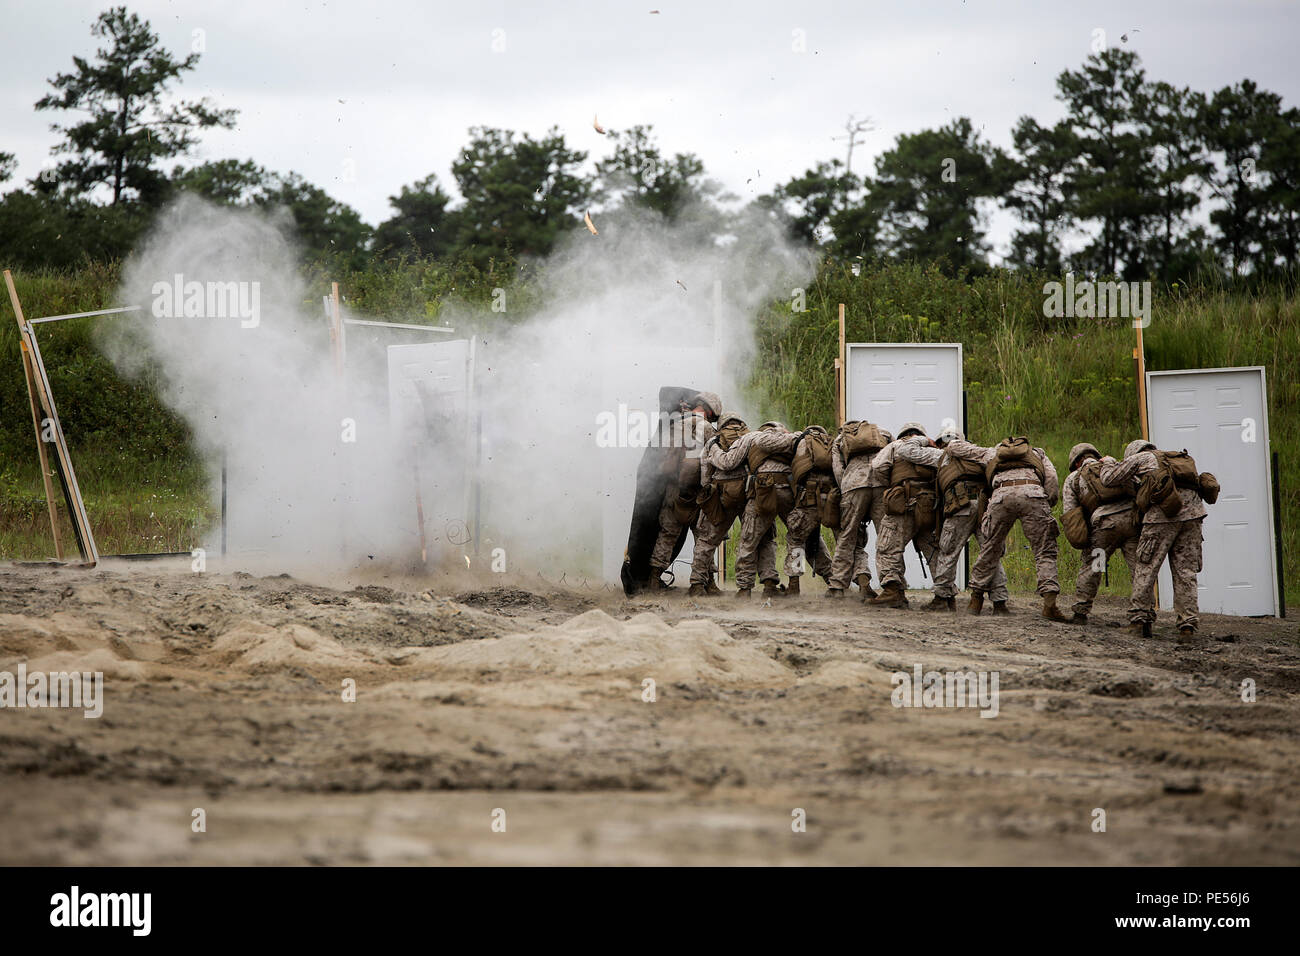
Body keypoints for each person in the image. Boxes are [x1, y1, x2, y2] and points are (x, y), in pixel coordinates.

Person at [943, 434, 1066, 620]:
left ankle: (975, 601)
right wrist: (1047, 502)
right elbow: (1052, 481)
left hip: (1001, 496)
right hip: (1033, 494)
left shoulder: (992, 453)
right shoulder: (1038, 454)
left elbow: (955, 448)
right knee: (1044, 551)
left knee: (990, 548)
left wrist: (949, 443)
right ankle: (1049, 605)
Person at [1100, 440, 1210, 640]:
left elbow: (1109, 479)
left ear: (1133, 453)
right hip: (1194, 516)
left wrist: (1108, 462)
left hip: (1161, 518)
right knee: (1186, 572)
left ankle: (1139, 621)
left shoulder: (1140, 458)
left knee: (1146, 567)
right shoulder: (1175, 457)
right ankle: (1187, 627)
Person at [704, 420, 796, 598]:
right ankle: (787, 584)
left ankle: (744, 589)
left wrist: (713, 446)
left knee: (749, 540)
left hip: (763, 491)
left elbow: (728, 462)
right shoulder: (792, 438)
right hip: (787, 491)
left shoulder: (753, 437)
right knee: (794, 538)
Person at [925, 425, 1009, 612]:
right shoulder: (979, 455)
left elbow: (912, 454)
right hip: (983, 508)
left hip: (959, 507)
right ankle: (1000, 601)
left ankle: (941, 598)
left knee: (948, 551)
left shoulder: (940, 456)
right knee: (990, 553)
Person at [647, 392, 721, 590]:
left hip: (674, 490)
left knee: (667, 534)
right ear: (710, 411)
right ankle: (707, 585)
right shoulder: (705, 427)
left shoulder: (673, 426)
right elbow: (716, 456)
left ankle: (654, 580)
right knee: (704, 538)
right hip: (698, 492)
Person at [1061, 442, 1140, 625]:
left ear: (1076, 462)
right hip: (1132, 524)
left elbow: (1071, 513)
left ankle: (1081, 612)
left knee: (1094, 566)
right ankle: (1142, 617)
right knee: (1139, 570)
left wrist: (1083, 537)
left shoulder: (1074, 478)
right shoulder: (1114, 466)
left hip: (1105, 528)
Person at [867, 423, 940, 609]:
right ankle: (944, 596)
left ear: (903, 435)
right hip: (928, 505)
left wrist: (892, 484)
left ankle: (893, 591)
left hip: (903, 504)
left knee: (888, 547)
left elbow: (878, 466)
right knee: (932, 550)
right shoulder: (931, 449)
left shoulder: (896, 446)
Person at [826, 421, 891, 601]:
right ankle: (892, 586)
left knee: (847, 536)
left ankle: (837, 586)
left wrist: (846, 490)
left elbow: (838, 469)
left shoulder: (841, 439)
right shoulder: (882, 433)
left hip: (854, 485)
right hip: (880, 483)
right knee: (886, 537)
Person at [689, 413, 750, 596]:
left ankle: (697, 585)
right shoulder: (747, 438)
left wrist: (708, 488)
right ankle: (747, 588)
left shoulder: (713, 442)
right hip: (746, 492)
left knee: (707, 540)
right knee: (751, 540)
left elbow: (705, 469)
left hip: (721, 493)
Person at [784, 424, 835, 596]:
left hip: (809, 500)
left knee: (796, 539)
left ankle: (794, 585)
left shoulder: (801, 443)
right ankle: (837, 584)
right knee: (845, 542)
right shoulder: (832, 444)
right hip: (832, 500)